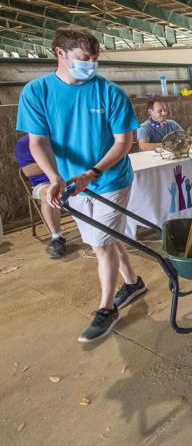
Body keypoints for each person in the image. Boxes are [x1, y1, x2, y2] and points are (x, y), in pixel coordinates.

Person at [16, 26, 147, 343]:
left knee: (101, 244)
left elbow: (123, 142)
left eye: (95, 58)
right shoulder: (37, 92)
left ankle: (107, 308)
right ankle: (132, 283)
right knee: (104, 240)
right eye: (84, 58)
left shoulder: (109, 92)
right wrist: (54, 177)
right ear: (60, 53)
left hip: (110, 178)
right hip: (72, 185)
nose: (91, 63)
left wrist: (92, 172)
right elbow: (37, 143)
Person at [14, 134, 66, 259]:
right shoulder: (24, 142)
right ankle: (57, 237)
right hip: (42, 183)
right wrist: (58, 164)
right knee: (48, 193)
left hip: (70, 178)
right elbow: (28, 171)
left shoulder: (59, 134)